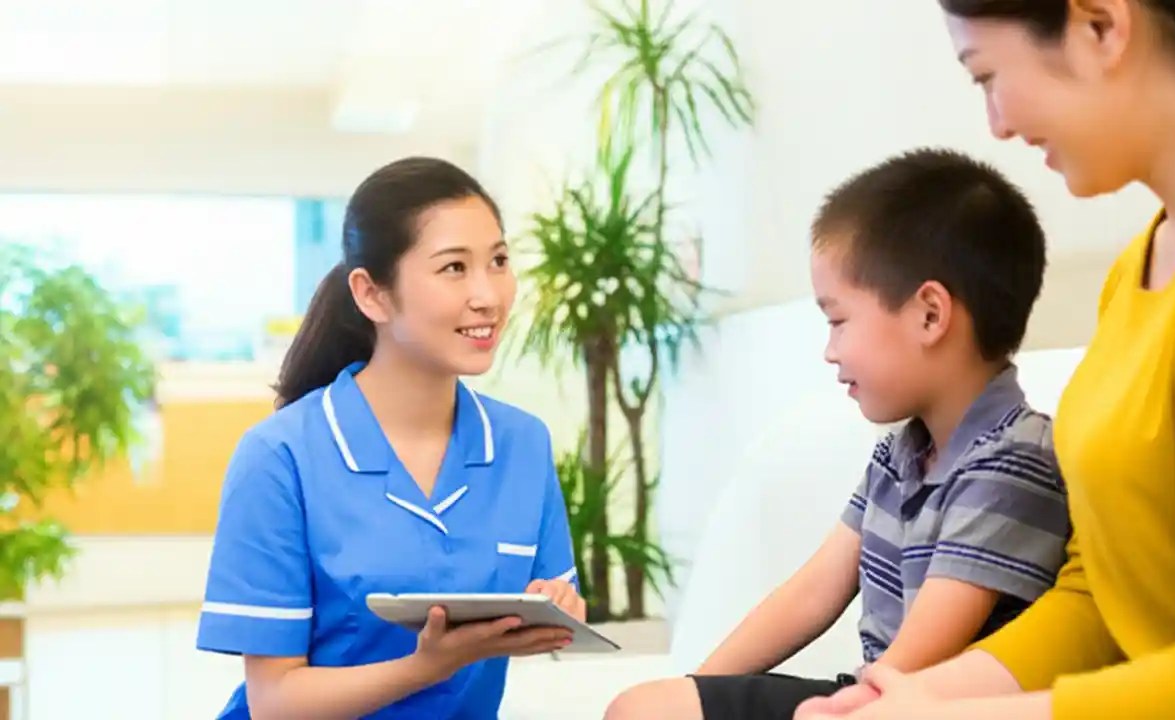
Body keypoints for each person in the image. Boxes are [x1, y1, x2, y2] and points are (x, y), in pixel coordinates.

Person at [796, 1, 1175, 719]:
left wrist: (936, 715)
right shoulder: (1142, 266)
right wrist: (905, 696)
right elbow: (1097, 596)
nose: (996, 123)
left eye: (988, 75)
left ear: (1101, 25)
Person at [605, 148, 1071, 720]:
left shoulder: (1012, 459)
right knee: (649, 709)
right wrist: (697, 688)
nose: (830, 352)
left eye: (838, 320)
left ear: (930, 315)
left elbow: (926, 652)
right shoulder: (900, 454)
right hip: (874, 694)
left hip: (923, 704)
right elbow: (813, 593)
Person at [195, 157, 586, 720]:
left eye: (498, 261)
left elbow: (554, 598)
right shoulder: (280, 458)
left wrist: (558, 605)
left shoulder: (523, 444)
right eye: (454, 268)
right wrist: (428, 665)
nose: (488, 295)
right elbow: (275, 701)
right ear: (373, 294)